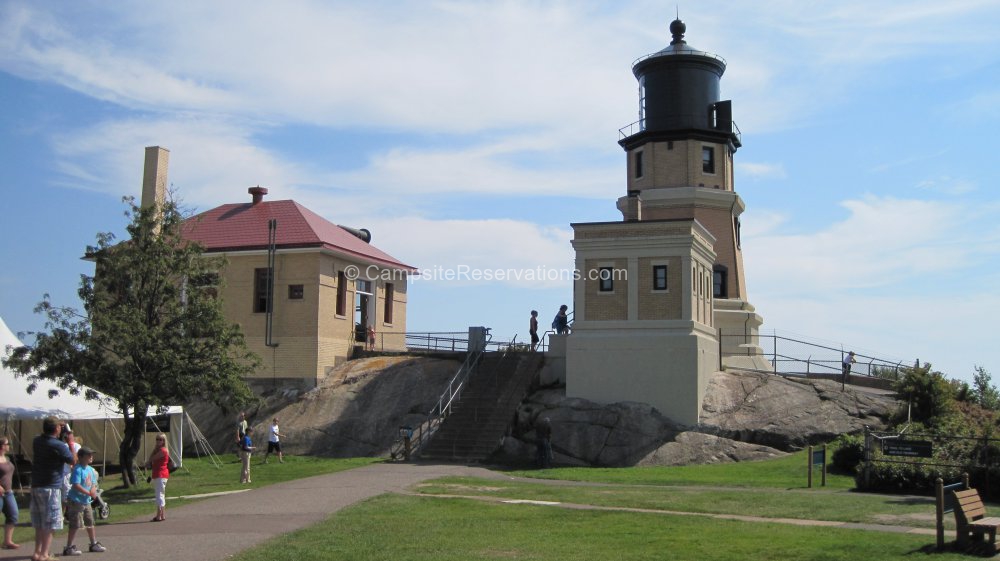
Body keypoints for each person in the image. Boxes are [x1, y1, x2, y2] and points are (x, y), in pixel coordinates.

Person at [30, 417, 77, 561]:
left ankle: (37, 552)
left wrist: (56, 426)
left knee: (39, 522)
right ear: (57, 429)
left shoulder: (37, 441)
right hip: (51, 487)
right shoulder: (59, 445)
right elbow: (73, 460)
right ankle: (44, 554)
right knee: (50, 522)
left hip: (36, 485)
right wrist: (70, 442)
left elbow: (45, 436)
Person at [62, 447, 106, 555]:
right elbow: (76, 485)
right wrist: (88, 493)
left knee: (90, 521)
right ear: (81, 457)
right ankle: (69, 547)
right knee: (75, 524)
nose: (91, 457)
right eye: (88, 455)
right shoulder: (78, 469)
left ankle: (93, 544)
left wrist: (93, 491)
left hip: (86, 501)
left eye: (91, 454)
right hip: (76, 501)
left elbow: (93, 483)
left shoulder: (90, 469)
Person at [145, 434, 169, 522]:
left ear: (164, 441)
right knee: (161, 494)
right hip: (158, 474)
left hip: (161, 474)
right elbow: (152, 458)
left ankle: (159, 515)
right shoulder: (159, 450)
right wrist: (155, 449)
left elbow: (152, 458)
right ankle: (162, 515)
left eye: (160, 439)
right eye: (157, 439)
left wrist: (148, 462)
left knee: (159, 495)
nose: (158, 441)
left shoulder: (163, 450)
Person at [0, 437, 19, 550]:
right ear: (2, 446)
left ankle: (7, 541)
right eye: (7, 444)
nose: (9, 446)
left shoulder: (7, 458)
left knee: (13, 515)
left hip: (8, 493)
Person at [60, 426, 82, 507]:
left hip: (69, 473)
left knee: (67, 497)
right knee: (65, 498)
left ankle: (68, 511)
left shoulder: (75, 446)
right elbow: (75, 460)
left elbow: (76, 460)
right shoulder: (63, 446)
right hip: (66, 474)